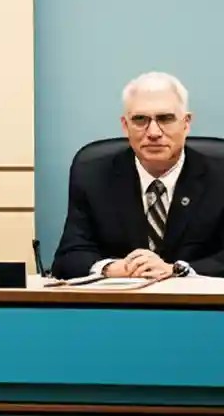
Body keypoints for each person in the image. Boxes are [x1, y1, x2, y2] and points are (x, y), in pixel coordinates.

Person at [53, 72, 224, 279]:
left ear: (186, 123)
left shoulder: (219, 175)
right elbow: (68, 257)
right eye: (140, 119)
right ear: (125, 126)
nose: (153, 132)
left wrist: (176, 270)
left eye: (165, 119)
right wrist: (113, 269)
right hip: (123, 297)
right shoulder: (93, 175)